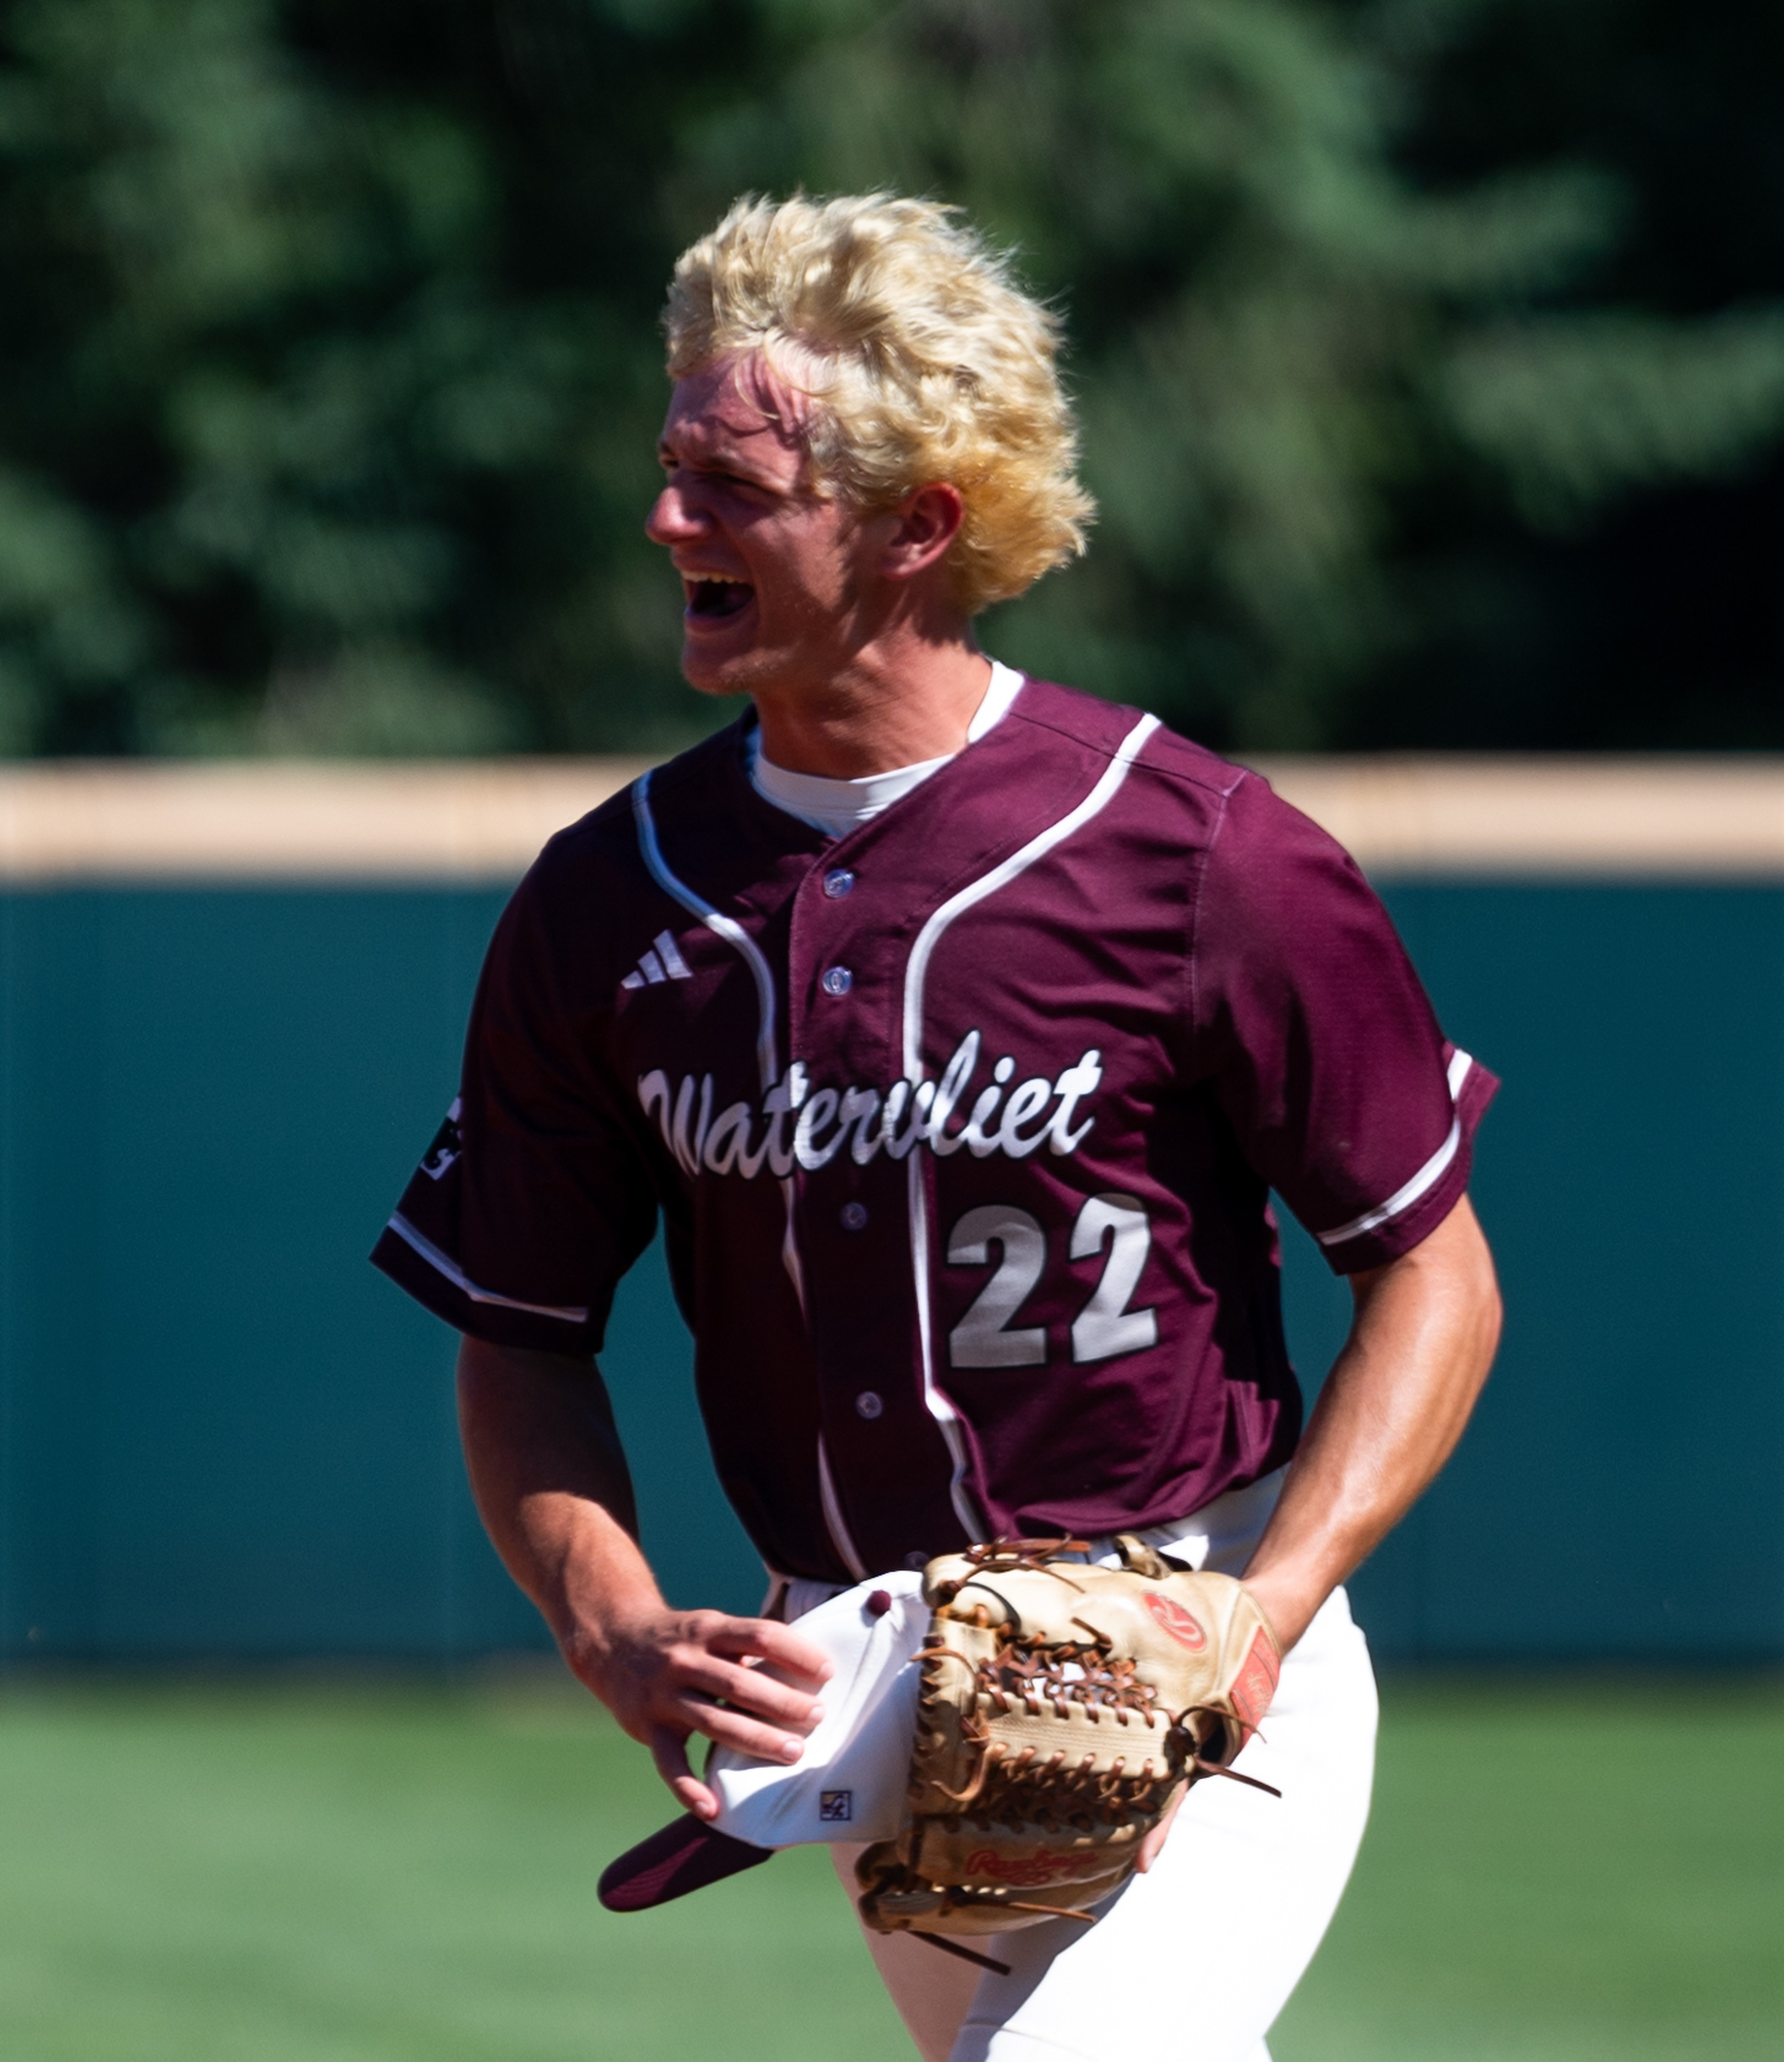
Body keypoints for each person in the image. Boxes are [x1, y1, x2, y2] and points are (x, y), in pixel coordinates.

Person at [369, 192, 1504, 2062]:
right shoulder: (607, 901)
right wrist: (614, 1619)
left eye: (733, 483)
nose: (670, 521)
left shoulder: (1197, 850)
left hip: (1196, 1629)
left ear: (916, 523)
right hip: (860, 1676)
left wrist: (1271, 1614)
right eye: (669, 469)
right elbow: (521, 1329)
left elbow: (1435, 1276)